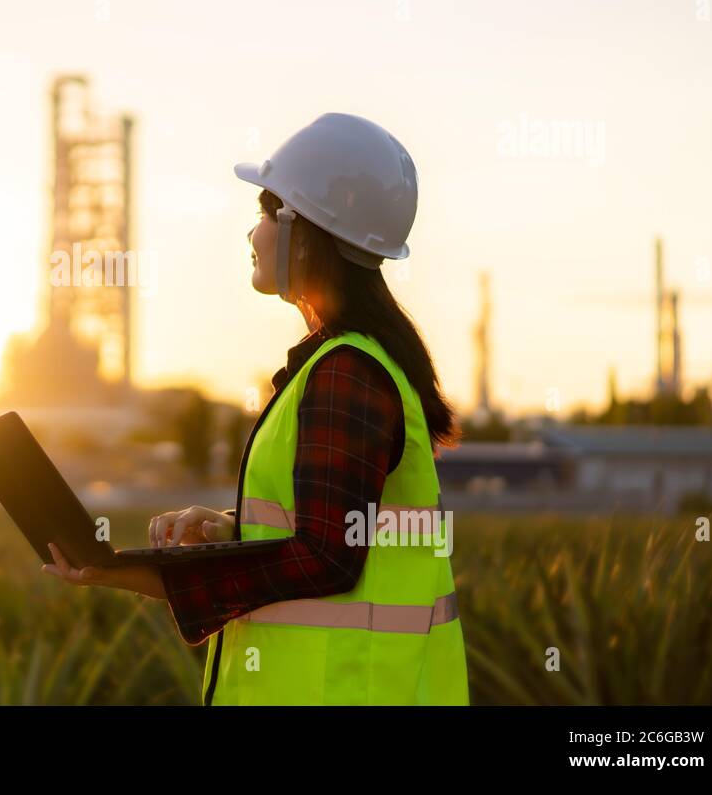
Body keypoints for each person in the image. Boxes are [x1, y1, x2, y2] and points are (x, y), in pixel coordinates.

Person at [42, 113, 470, 705]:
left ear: (303, 228)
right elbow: (337, 533)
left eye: (267, 212)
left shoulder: (347, 372)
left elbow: (326, 559)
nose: (254, 234)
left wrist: (127, 571)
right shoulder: (351, 364)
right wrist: (234, 531)